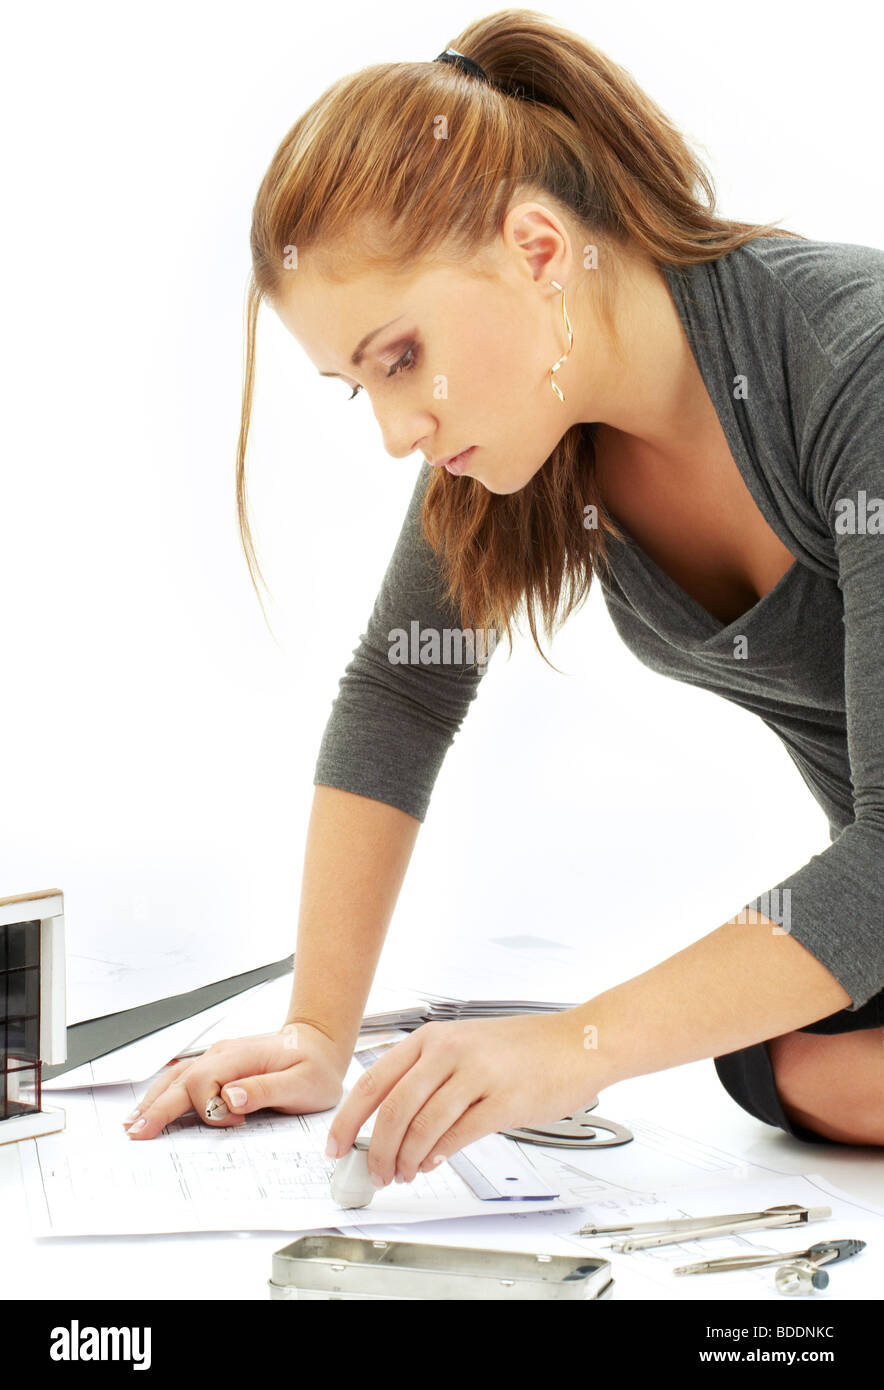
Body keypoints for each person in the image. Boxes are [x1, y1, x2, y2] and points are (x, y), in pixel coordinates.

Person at [123, 11, 884, 1184]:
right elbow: (400, 691)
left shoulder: (852, 366)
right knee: (772, 1060)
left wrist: (573, 1047)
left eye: (397, 357)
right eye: (352, 389)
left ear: (536, 250)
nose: (392, 431)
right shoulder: (526, 435)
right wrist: (320, 1028)